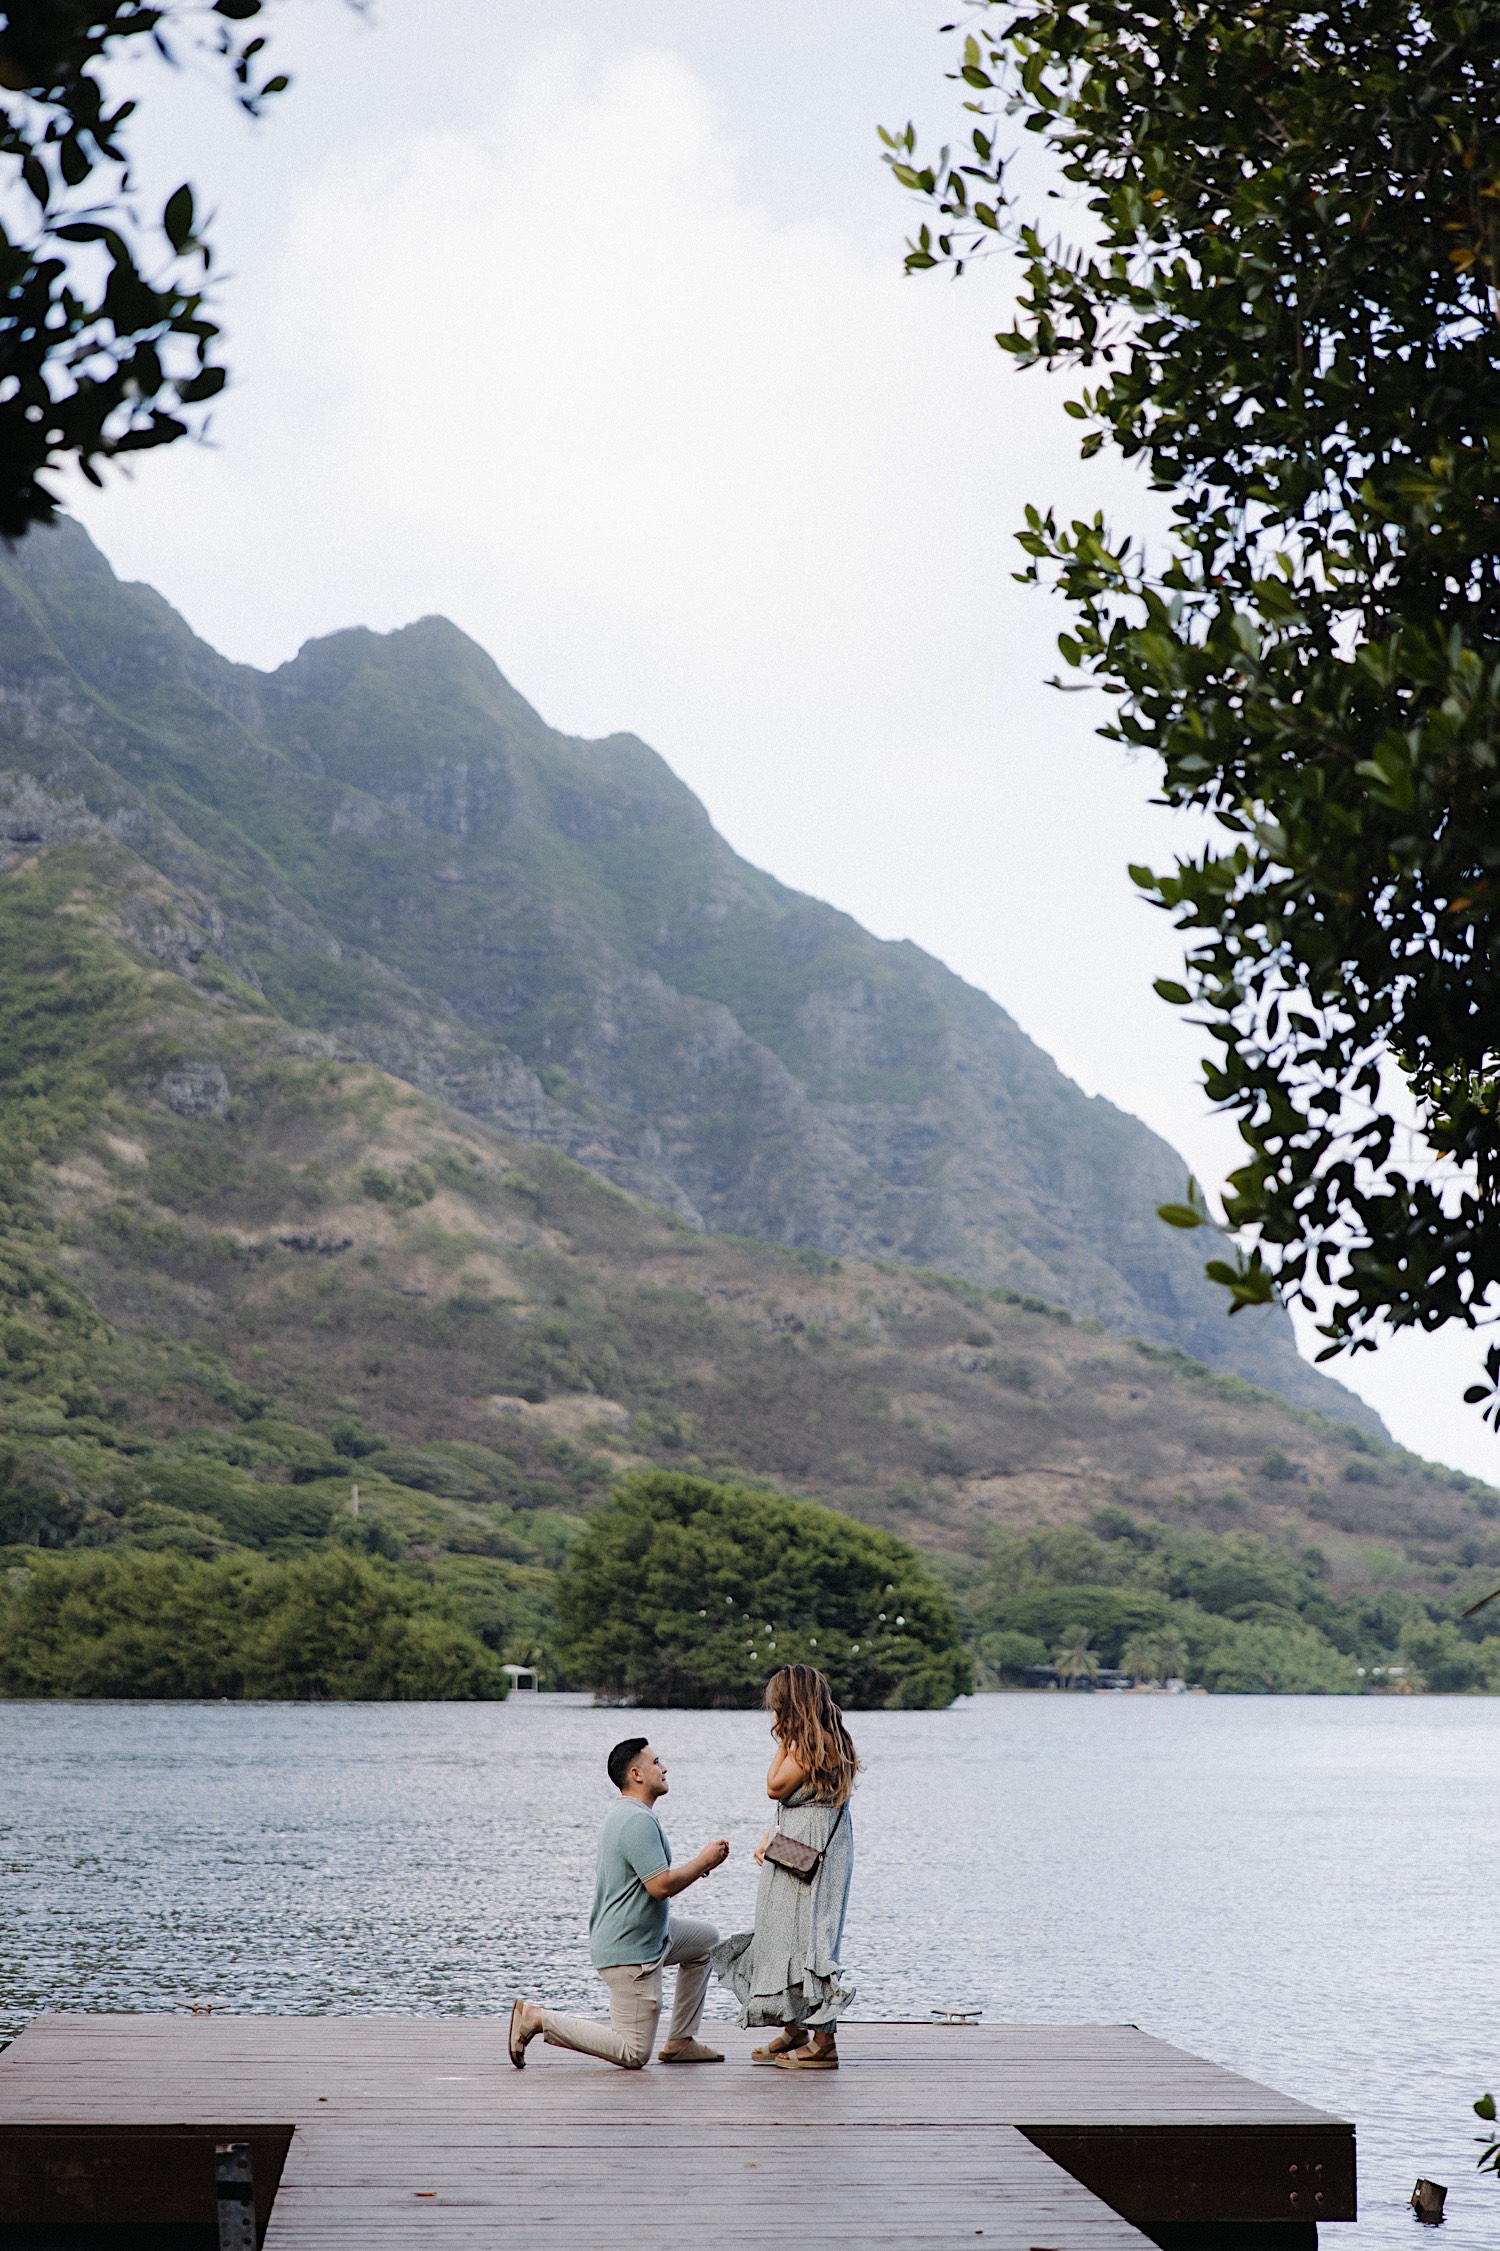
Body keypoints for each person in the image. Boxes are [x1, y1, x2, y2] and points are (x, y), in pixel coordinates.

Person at [508, 1736, 729, 2070]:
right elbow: (660, 1887)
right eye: (656, 1762)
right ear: (636, 1774)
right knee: (633, 2053)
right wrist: (704, 1862)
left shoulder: (629, 1813)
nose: (664, 1767)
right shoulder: (635, 1821)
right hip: (630, 1951)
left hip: (648, 1934)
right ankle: (537, 2019)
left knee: (706, 1941)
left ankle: (681, 2041)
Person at [710, 1663, 858, 2070]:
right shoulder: (816, 1739)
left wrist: (784, 1738)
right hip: (799, 1847)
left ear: (791, 1705)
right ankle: (795, 2027)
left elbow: (774, 1786)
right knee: (781, 1932)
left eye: (777, 1705)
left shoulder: (816, 1742)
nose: (771, 1711)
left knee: (811, 1939)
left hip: (812, 1855)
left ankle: (824, 2042)